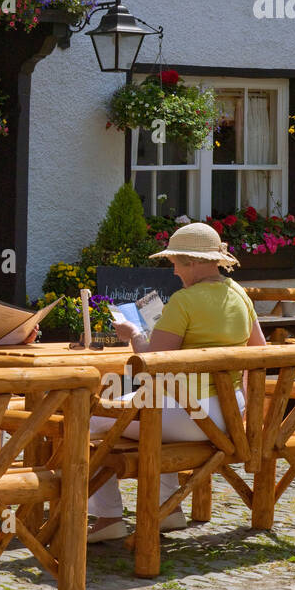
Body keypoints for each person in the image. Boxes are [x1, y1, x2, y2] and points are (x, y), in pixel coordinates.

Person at [91, 222, 265, 543]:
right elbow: (261, 355)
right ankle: (167, 510)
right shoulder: (240, 294)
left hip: (188, 416)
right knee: (158, 412)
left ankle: (108, 516)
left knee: (89, 418)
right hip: (230, 418)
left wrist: (135, 335)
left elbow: (150, 366)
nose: (173, 271)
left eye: (175, 263)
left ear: (193, 262)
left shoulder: (183, 301)